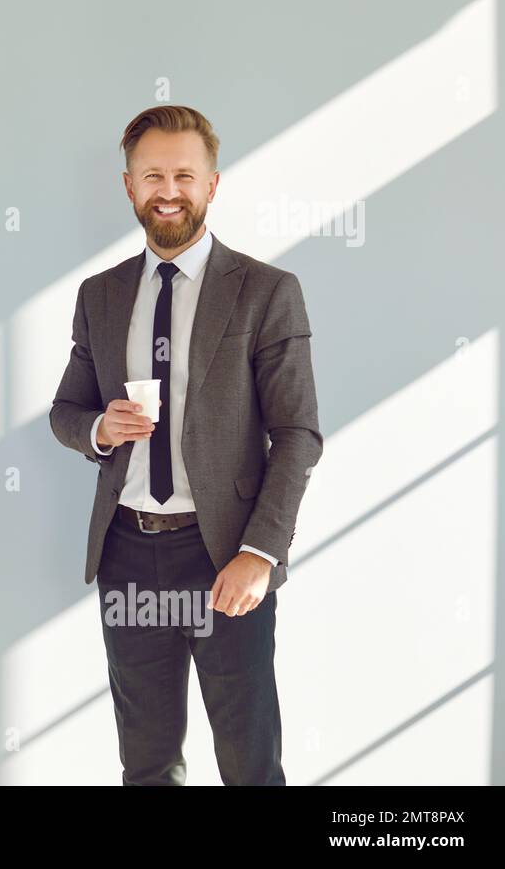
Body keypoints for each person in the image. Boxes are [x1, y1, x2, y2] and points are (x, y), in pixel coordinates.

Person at [50, 105, 322, 785]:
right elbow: (65, 410)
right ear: (129, 186)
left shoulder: (266, 292)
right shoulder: (102, 295)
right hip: (127, 552)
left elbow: (297, 435)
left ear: (212, 184)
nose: (167, 190)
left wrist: (260, 554)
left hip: (225, 553)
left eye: (182, 175)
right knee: (146, 760)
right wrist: (98, 430)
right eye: (152, 175)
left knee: (248, 759)